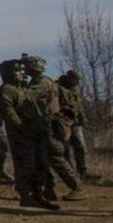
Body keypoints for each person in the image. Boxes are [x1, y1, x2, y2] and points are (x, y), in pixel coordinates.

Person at [0, 58, 58, 210]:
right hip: (20, 135)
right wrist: (23, 127)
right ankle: (26, 196)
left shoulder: (23, 89)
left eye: (23, 70)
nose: (23, 73)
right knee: (25, 166)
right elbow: (9, 113)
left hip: (35, 132)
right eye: (18, 71)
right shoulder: (6, 90)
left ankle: (38, 194)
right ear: (10, 74)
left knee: (40, 165)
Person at [20, 53, 83, 202]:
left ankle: (77, 187)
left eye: (26, 67)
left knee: (55, 157)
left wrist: (19, 87)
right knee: (43, 159)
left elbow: (27, 97)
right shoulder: (41, 81)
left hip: (49, 125)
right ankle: (49, 190)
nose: (24, 70)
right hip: (44, 125)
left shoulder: (41, 82)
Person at [56, 69, 89, 178]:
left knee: (81, 146)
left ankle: (83, 171)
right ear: (69, 78)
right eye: (76, 80)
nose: (77, 82)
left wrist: (82, 118)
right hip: (63, 122)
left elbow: (79, 105)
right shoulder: (57, 87)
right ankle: (70, 173)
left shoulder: (75, 89)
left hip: (75, 122)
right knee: (65, 148)